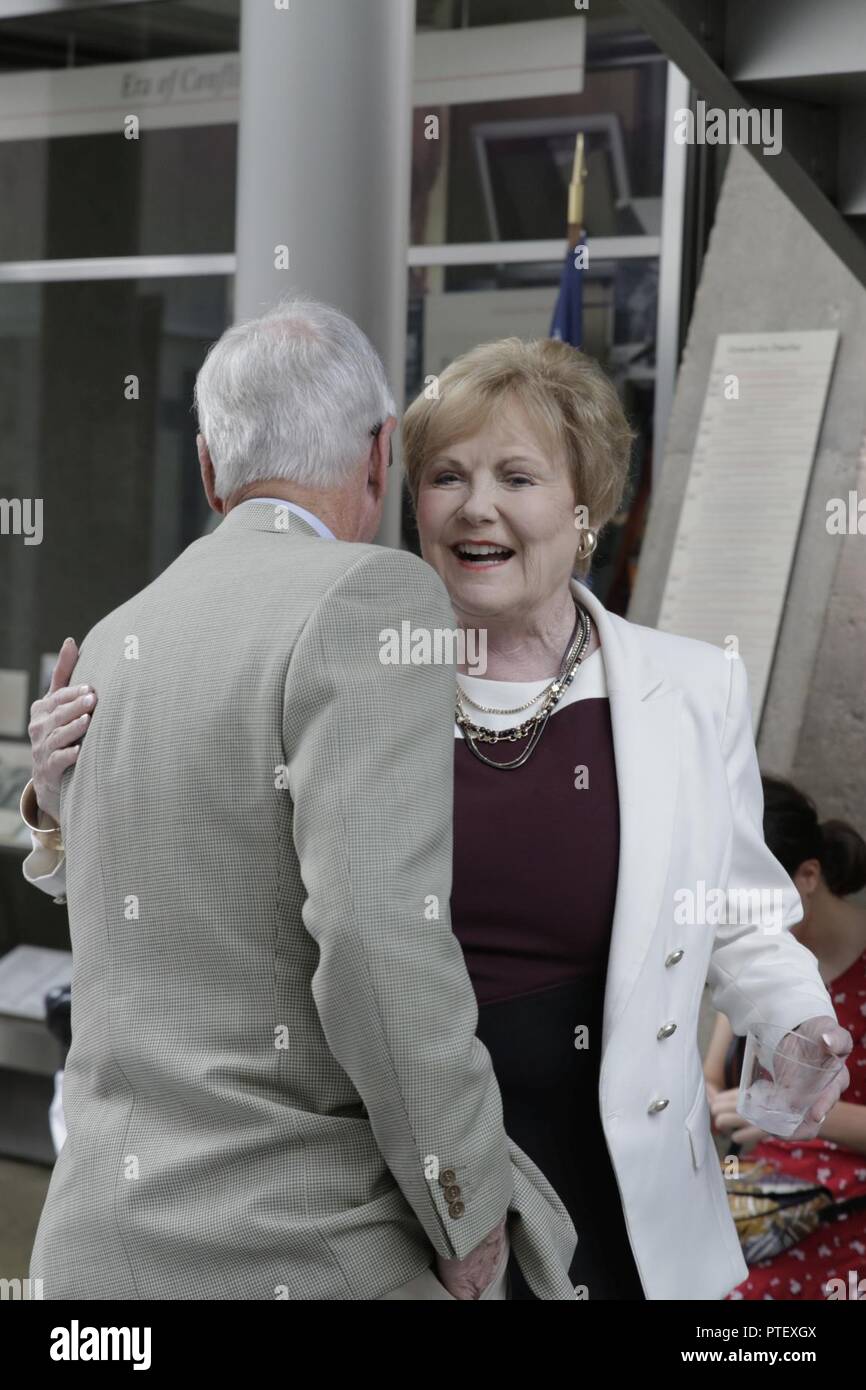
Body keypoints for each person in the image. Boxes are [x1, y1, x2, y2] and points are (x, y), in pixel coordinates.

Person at [24, 326, 852, 1301]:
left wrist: (794, 1018)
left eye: (516, 476)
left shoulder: (691, 684)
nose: (475, 506)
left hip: (613, 1180)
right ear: (397, 486)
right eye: (446, 475)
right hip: (401, 1177)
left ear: (585, 507)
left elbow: (738, 912)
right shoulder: (347, 647)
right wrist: (54, 795)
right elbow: (215, 870)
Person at [20, 297, 579, 1302]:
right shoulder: (368, 597)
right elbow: (374, 937)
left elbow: (157, 919)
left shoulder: (111, 636)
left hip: (96, 1253)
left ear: (204, 468)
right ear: (379, 458)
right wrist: (463, 1206)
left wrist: (51, 815)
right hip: (293, 1249)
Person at [704, 776, 866, 1300]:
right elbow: (714, 1077)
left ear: (808, 877)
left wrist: (792, 1110)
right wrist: (710, 1102)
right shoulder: (761, 969)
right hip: (756, 1189)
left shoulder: (773, 956)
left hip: (844, 1202)